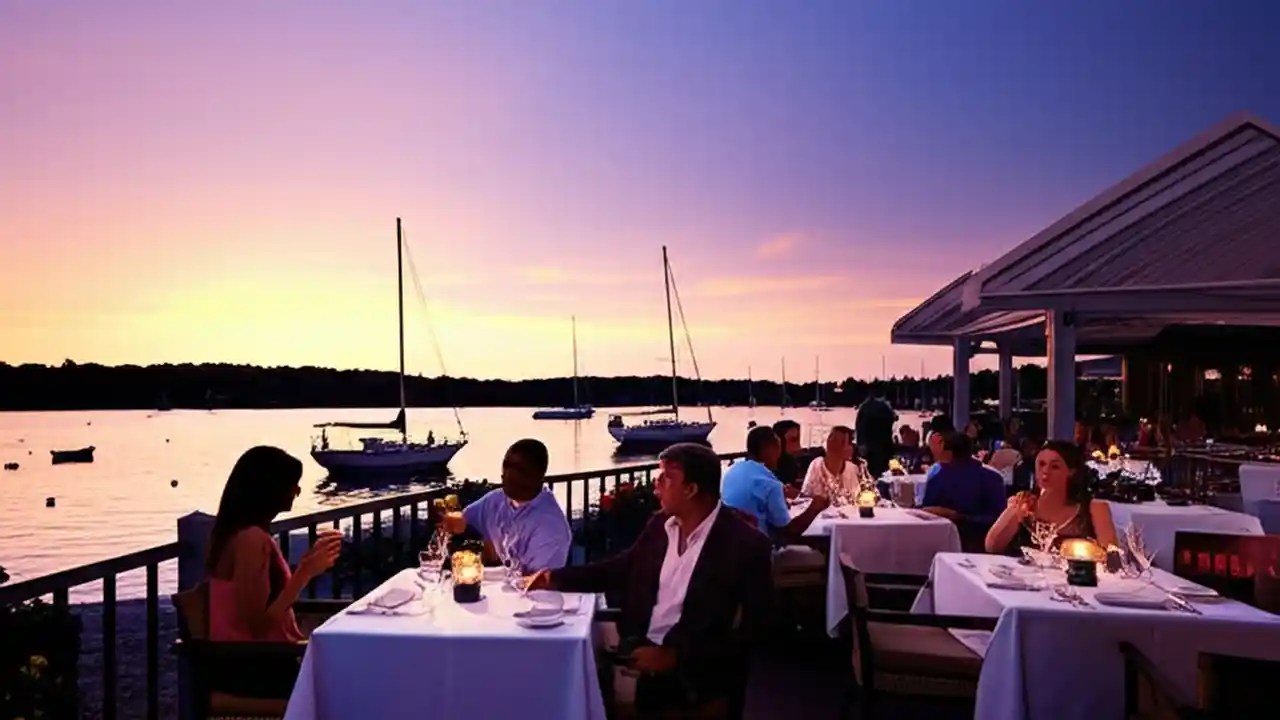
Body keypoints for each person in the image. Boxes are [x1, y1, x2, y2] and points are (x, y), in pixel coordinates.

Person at [524, 443, 774, 717]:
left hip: (699, 680)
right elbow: (621, 569)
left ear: (691, 489)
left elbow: (754, 629)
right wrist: (555, 577)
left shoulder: (744, 545)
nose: (655, 486)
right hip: (644, 658)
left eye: (666, 478)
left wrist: (674, 658)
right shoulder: (660, 526)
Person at [206, 447, 340, 645]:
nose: (297, 491)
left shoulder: (237, 535)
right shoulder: (251, 540)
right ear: (270, 488)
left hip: (259, 657)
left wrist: (307, 565)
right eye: (292, 484)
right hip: (258, 664)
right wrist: (305, 573)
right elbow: (258, 626)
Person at [444, 439, 571, 570]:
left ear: (539, 474)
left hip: (527, 589)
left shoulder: (550, 527)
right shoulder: (496, 500)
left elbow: (537, 584)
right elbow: (464, 520)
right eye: (506, 465)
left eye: (519, 469)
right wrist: (452, 519)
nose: (508, 474)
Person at [985, 440, 1118, 554]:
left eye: (1055, 466)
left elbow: (1113, 557)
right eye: (1041, 464)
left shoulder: (1094, 509)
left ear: (1071, 471)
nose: (1045, 471)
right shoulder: (1023, 503)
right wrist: (1014, 513)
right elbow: (992, 547)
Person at [722, 426, 828, 538]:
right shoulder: (770, 484)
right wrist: (814, 508)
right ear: (768, 449)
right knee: (816, 555)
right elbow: (788, 533)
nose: (780, 454)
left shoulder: (731, 472)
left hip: (728, 544)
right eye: (778, 448)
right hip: (756, 550)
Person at [919, 432, 1006, 531]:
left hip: (975, 539)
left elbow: (998, 518)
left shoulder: (990, 478)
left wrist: (962, 518)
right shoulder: (935, 473)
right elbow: (924, 510)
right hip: (937, 535)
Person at [801, 426, 871, 501]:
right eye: (831, 437)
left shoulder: (852, 469)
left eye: (843, 442)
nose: (832, 443)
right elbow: (807, 496)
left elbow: (856, 498)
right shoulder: (817, 464)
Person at [855, 385, 897, 477]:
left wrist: (860, 443)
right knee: (881, 471)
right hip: (883, 445)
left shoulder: (865, 407)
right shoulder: (884, 407)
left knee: (871, 472)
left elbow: (860, 426)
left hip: (870, 446)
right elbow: (893, 418)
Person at [770, 419, 804, 489]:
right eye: (793, 440)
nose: (799, 447)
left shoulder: (794, 464)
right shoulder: (766, 470)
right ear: (780, 441)